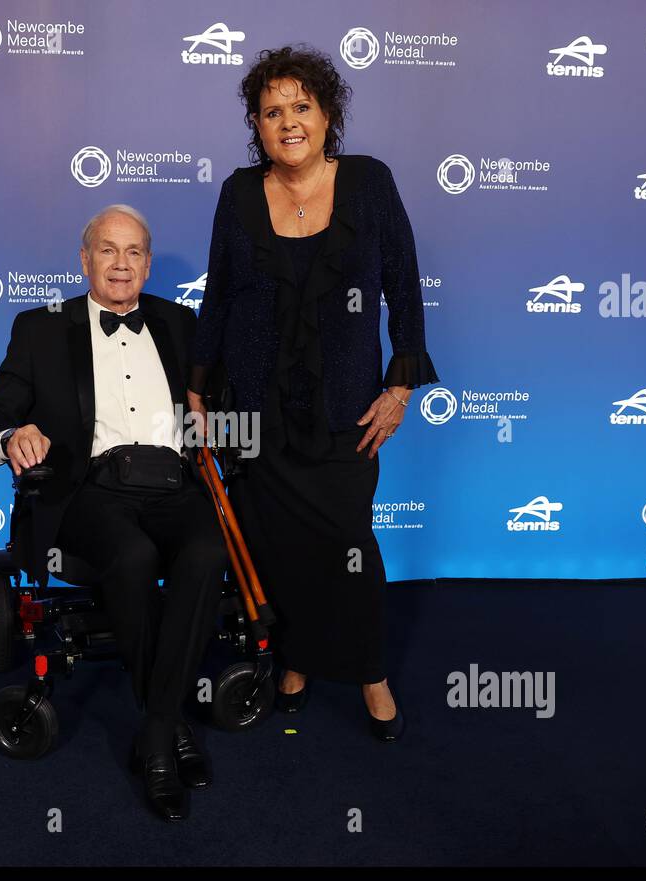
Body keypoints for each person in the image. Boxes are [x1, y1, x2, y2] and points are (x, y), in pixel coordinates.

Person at [187, 45, 440, 741]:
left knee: (348, 543)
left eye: (302, 106)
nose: (288, 122)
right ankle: (294, 663)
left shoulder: (368, 183)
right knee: (277, 546)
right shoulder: (240, 194)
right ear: (257, 126)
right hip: (257, 409)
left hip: (346, 411)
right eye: (272, 111)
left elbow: (404, 286)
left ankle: (369, 673)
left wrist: (401, 386)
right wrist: (199, 390)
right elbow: (218, 296)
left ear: (329, 115)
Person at [0, 205, 228, 821]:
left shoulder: (180, 323)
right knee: (131, 558)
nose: (121, 264)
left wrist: (221, 417)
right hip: (88, 491)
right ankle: (168, 743)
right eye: (107, 251)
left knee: (207, 554)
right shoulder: (40, 328)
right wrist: (11, 438)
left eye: (134, 252)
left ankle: (156, 731)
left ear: (148, 263)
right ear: (83, 260)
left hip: (173, 483)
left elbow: (222, 401)